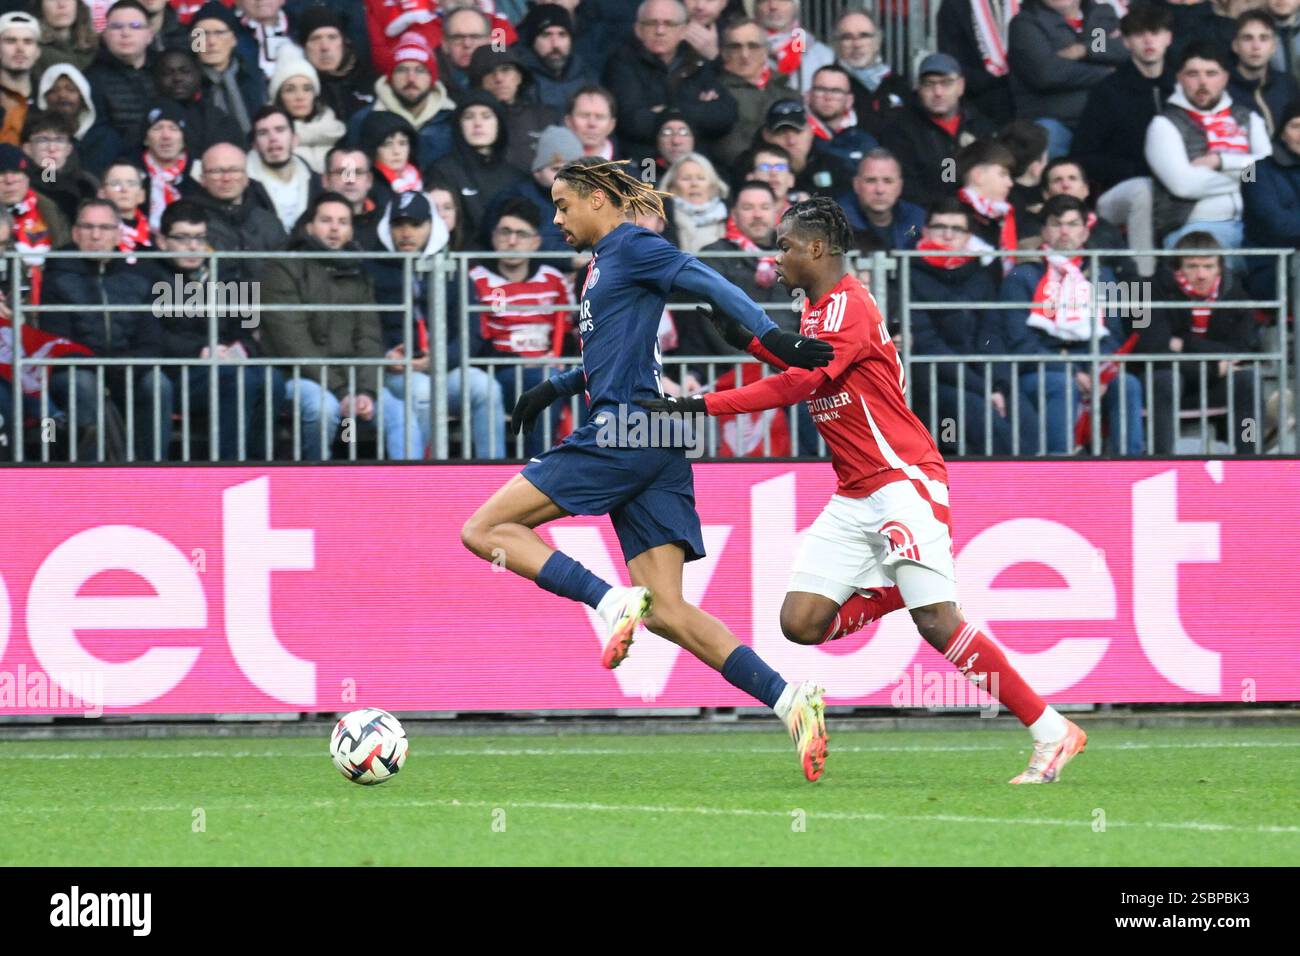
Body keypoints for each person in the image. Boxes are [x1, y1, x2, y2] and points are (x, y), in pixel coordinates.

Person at [641, 195, 1088, 784]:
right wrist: (750, 343)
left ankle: (1052, 730)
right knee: (801, 623)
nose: (779, 256)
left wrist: (698, 404)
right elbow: (800, 364)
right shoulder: (819, 312)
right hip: (855, 493)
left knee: (940, 623)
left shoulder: (848, 305)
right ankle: (910, 584)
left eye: (787, 245)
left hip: (902, 480)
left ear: (818, 249)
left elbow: (797, 384)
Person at [460, 157, 836, 782]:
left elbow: (710, 282)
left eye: (563, 205)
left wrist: (778, 341)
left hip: (624, 432)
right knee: (667, 610)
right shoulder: (606, 264)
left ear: (600, 202)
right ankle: (789, 699)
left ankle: (608, 602)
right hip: (659, 435)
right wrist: (554, 387)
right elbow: (613, 349)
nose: (556, 219)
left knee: (484, 530)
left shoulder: (632, 245)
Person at [260, 190, 413, 460]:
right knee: (324, 409)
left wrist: (365, 391)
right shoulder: (283, 268)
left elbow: (369, 338)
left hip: (352, 380)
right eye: (326, 220)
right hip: (296, 376)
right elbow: (295, 345)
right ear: (309, 226)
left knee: (399, 413)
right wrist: (343, 391)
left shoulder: (359, 270)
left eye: (343, 222)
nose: (334, 229)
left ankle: (414, 495)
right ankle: (315, 488)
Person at [1000, 193, 1145, 455]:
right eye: (1056, 224)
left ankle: (1130, 467)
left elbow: (1112, 335)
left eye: (1073, 224)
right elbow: (1020, 342)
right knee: (1061, 384)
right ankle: (1062, 468)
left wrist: (1098, 372)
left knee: (1127, 384)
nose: (1064, 231)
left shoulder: (1102, 274)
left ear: (1085, 233)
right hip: (1041, 368)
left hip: (1092, 366)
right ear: (1044, 231)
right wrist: (1071, 370)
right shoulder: (1022, 274)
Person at [366, 189, 506, 459]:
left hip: (443, 367)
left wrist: (438, 360)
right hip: (392, 372)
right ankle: (427, 478)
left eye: (416, 225)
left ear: (432, 225)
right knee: (421, 391)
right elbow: (361, 329)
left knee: (486, 388)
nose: (407, 233)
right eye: (399, 225)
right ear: (387, 226)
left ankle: (495, 478)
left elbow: (470, 331)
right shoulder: (369, 270)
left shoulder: (452, 268)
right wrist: (385, 357)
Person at [149, 199, 284, 460]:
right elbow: (151, 336)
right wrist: (200, 350)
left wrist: (241, 348)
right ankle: (228, 467)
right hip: (177, 373)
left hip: (226, 366)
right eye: (182, 238)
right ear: (162, 241)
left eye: (200, 238)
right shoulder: (148, 276)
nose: (192, 246)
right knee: (238, 379)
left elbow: (249, 331)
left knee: (273, 380)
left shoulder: (226, 274)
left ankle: (262, 465)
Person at [40, 197, 173, 460]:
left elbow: (152, 340)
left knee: (157, 383)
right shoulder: (56, 274)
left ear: (118, 234)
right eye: (88, 228)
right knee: (82, 383)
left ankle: (154, 471)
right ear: (76, 233)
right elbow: (59, 344)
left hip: (126, 367)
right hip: (77, 370)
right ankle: (94, 474)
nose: (96, 235)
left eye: (105, 228)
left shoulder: (141, 274)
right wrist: (104, 365)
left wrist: (126, 364)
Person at [1134, 230, 1261, 453]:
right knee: (1166, 379)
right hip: (1168, 380)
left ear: (1220, 267)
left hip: (1211, 384)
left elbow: (1242, 349)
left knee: (1247, 381)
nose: (1201, 275)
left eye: (1208, 266)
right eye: (1192, 266)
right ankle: (1161, 460)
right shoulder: (1147, 290)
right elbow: (1151, 347)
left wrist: (1184, 344)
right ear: (1177, 267)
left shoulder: (1235, 293)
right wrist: (1214, 367)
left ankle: (1248, 453)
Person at [908, 197, 1017, 455]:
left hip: (982, 380)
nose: (947, 235)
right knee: (982, 418)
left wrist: (998, 385)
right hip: (935, 380)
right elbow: (927, 345)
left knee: (1025, 420)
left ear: (969, 236)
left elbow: (991, 335)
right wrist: (984, 388)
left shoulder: (979, 275)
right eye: (939, 227)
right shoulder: (908, 272)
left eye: (956, 229)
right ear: (924, 231)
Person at [469, 198, 575, 456]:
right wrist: (519, 362)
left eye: (521, 234)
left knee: (585, 383)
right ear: (494, 237)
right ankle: (539, 467)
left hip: (550, 369)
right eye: (505, 232)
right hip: (502, 372)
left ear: (536, 241)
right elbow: (476, 342)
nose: (512, 241)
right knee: (546, 384)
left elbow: (571, 330)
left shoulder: (554, 279)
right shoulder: (476, 279)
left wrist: (560, 358)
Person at [1146, 41, 1271, 250]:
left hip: (1254, 225)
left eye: (1211, 73)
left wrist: (1221, 162)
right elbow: (1184, 185)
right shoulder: (1164, 124)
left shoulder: (1248, 117)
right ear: (1179, 78)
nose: (1202, 82)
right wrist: (1248, 178)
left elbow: (1267, 168)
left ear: (1225, 78)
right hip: (1193, 229)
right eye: (1193, 74)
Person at [601, 0, 735, 166]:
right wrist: (695, 112)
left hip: (696, 162)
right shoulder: (622, 63)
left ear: (684, 30)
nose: (660, 31)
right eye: (651, 23)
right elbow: (632, 122)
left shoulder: (697, 61)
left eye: (669, 24)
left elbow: (725, 114)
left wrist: (665, 112)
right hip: (644, 161)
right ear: (638, 29)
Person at [1007, 0, 1125, 158]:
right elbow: (1047, 74)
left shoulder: (1097, 16)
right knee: (1045, 137)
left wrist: (1083, 49)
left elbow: (1113, 51)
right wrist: (1106, 73)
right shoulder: (1026, 24)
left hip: (1102, 120)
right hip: (1056, 122)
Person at [877, 52, 995, 207]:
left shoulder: (979, 126)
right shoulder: (901, 129)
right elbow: (907, 186)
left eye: (946, 83)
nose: (938, 92)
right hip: (923, 217)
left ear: (960, 86)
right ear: (918, 87)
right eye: (929, 84)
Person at [469, 44, 560, 176]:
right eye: (489, 71)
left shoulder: (545, 117)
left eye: (506, 70)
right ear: (479, 81)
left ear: (519, 77)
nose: (499, 78)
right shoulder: (467, 121)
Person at [712, 16, 790, 167]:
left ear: (765, 51)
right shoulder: (714, 94)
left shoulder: (788, 93)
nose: (744, 55)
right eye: (735, 47)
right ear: (723, 52)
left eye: (753, 46)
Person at [1242, 98, 1300, 296]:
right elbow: (1277, 226)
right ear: (1282, 133)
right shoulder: (1253, 170)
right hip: (1274, 269)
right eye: (1296, 126)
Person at [831, 7, 909, 133]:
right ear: (836, 44)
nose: (856, 44)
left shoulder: (898, 84)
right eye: (847, 37)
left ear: (877, 42)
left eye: (864, 36)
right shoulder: (828, 86)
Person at [246, 104, 321, 232]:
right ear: (254, 145)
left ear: (295, 139)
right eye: (263, 133)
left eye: (280, 130)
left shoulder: (316, 183)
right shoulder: (243, 186)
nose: (273, 138)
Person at [514, 2, 595, 116]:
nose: (555, 44)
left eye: (562, 35)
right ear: (532, 42)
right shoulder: (519, 79)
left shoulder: (586, 75)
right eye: (546, 35)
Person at [1229, 9, 1300, 136]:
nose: (1256, 46)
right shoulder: (1224, 89)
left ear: (1273, 46)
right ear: (1235, 46)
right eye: (1247, 38)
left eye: (1264, 38)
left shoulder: (1287, 85)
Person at [270, 56, 347, 174]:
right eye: (290, 90)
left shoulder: (335, 132)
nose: (300, 97)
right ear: (279, 97)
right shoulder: (270, 141)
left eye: (307, 89)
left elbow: (350, 180)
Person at [838, 148, 925, 250]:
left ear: (899, 186)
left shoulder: (919, 221)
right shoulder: (833, 225)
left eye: (888, 181)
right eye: (871, 180)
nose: (879, 190)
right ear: (856, 185)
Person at [661, 151, 729, 253]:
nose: (694, 184)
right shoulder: (661, 219)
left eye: (701, 178)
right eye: (686, 179)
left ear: (712, 186)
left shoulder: (731, 216)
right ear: (671, 187)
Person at [0, 10, 43, 146]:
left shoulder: (48, 100)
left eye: (28, 42)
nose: (20, 48)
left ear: (38, 52)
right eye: (10, 41)